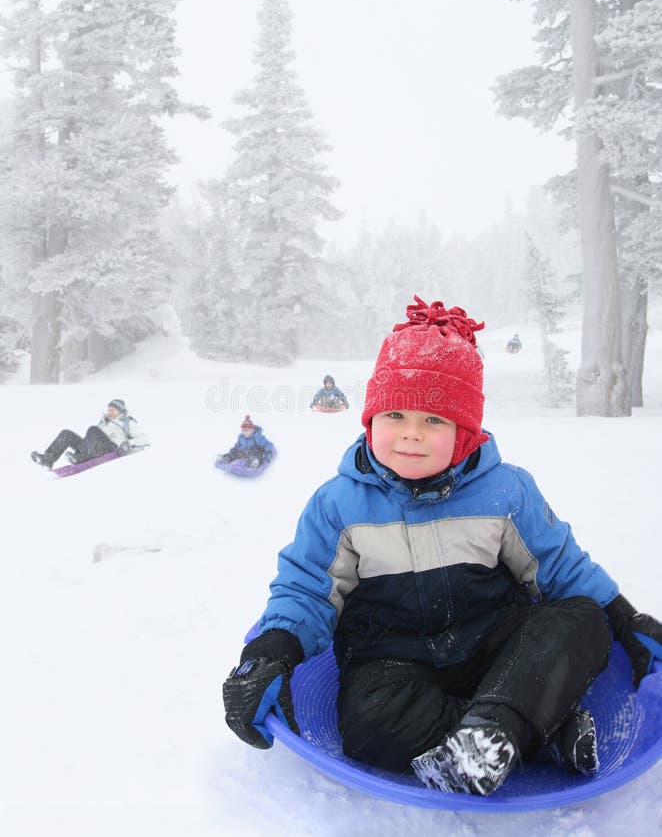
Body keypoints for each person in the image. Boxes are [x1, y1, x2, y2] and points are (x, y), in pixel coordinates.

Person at [222, 296, 662, 797]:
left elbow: (559, 567)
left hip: (497, 650)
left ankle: (496, 728)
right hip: (393, 660)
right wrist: (268, 655)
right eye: (395, 415)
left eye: (435, 419)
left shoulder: (505, 492)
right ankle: (527, 734)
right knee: (367, 724)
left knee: (581, 619)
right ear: (370, 420)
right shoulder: (339, 504)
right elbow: (306, 589)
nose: (411, 434)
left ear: (465, 431)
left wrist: (623, 618)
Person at [31, 399, 149, 469]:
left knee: (93, 430)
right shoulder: (104, 422)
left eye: (113, 410)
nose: (109, 412)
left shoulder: (127, 422)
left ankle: (78, 458)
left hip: (110, 449)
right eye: (109, 409)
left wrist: (128, 443)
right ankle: (47, 460)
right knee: (66, 434)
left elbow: (144, 439)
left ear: (120, 411)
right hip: (91, 449)